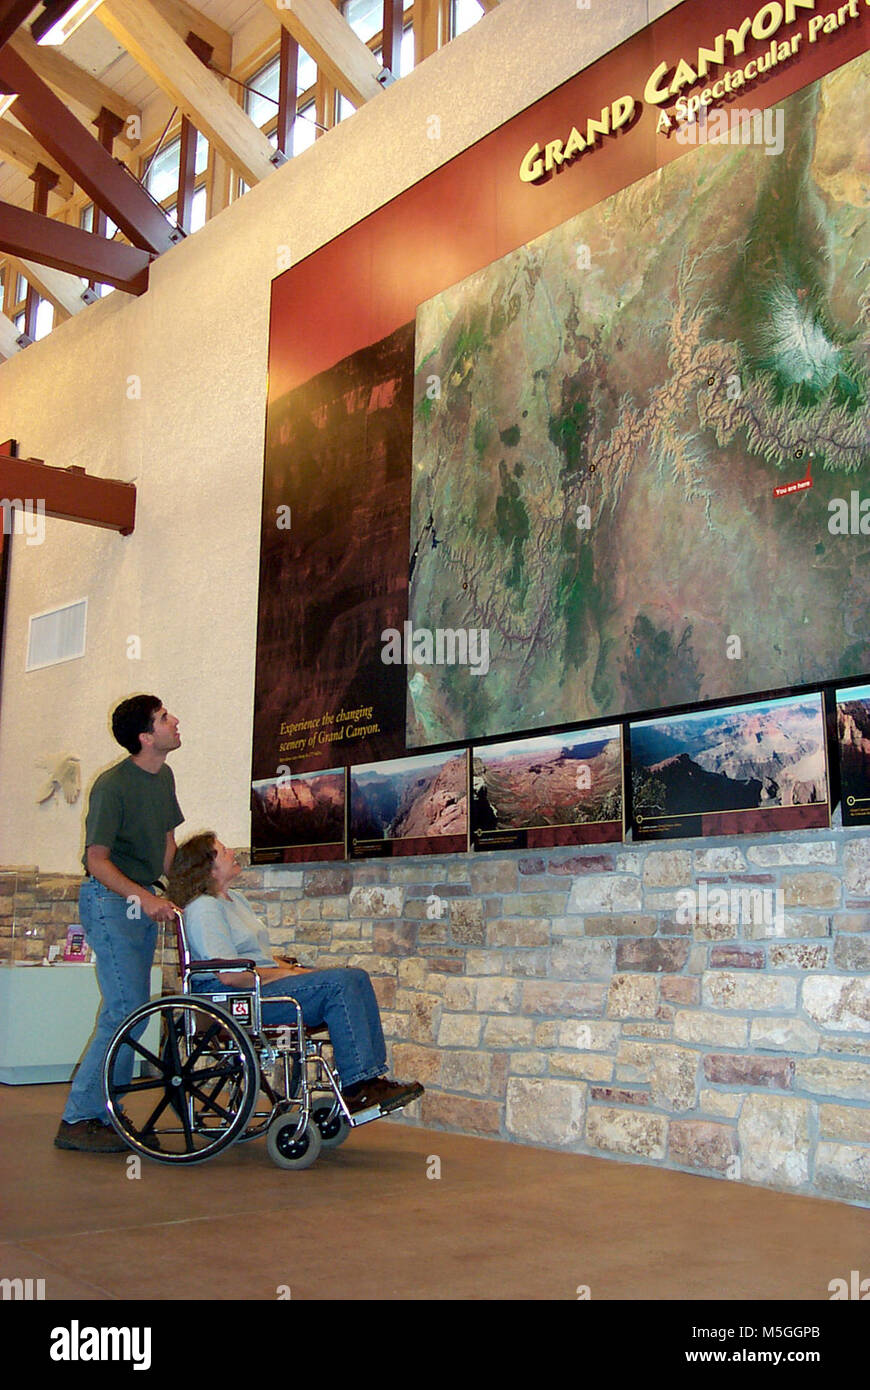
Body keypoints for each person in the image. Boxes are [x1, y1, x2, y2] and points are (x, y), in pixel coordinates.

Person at [167, 832, 424, 1116]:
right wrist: (284, 973)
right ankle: (357, 1087)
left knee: (356, 977)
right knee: (341, 984)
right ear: (208, 867)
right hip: (237, 998)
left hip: (258, 987)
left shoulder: (234, 900)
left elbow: (255, 956)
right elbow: (230, 975)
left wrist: (293, 970)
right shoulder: (204, 909)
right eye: (223, 850)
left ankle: (369, 1079)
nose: (231, 853)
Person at [54, 695, 184, 1153]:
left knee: (130, 1008)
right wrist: (145, 897)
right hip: (110, 900)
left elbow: (168, 846)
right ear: (146, 737)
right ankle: (78, 1118)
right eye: (166, 718)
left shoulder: (163, 776)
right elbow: (97, 862)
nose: (176, 721)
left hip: (139, 900)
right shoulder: (112, 786)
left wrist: (184, 893)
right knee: (125, 1006)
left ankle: (105, 1112)